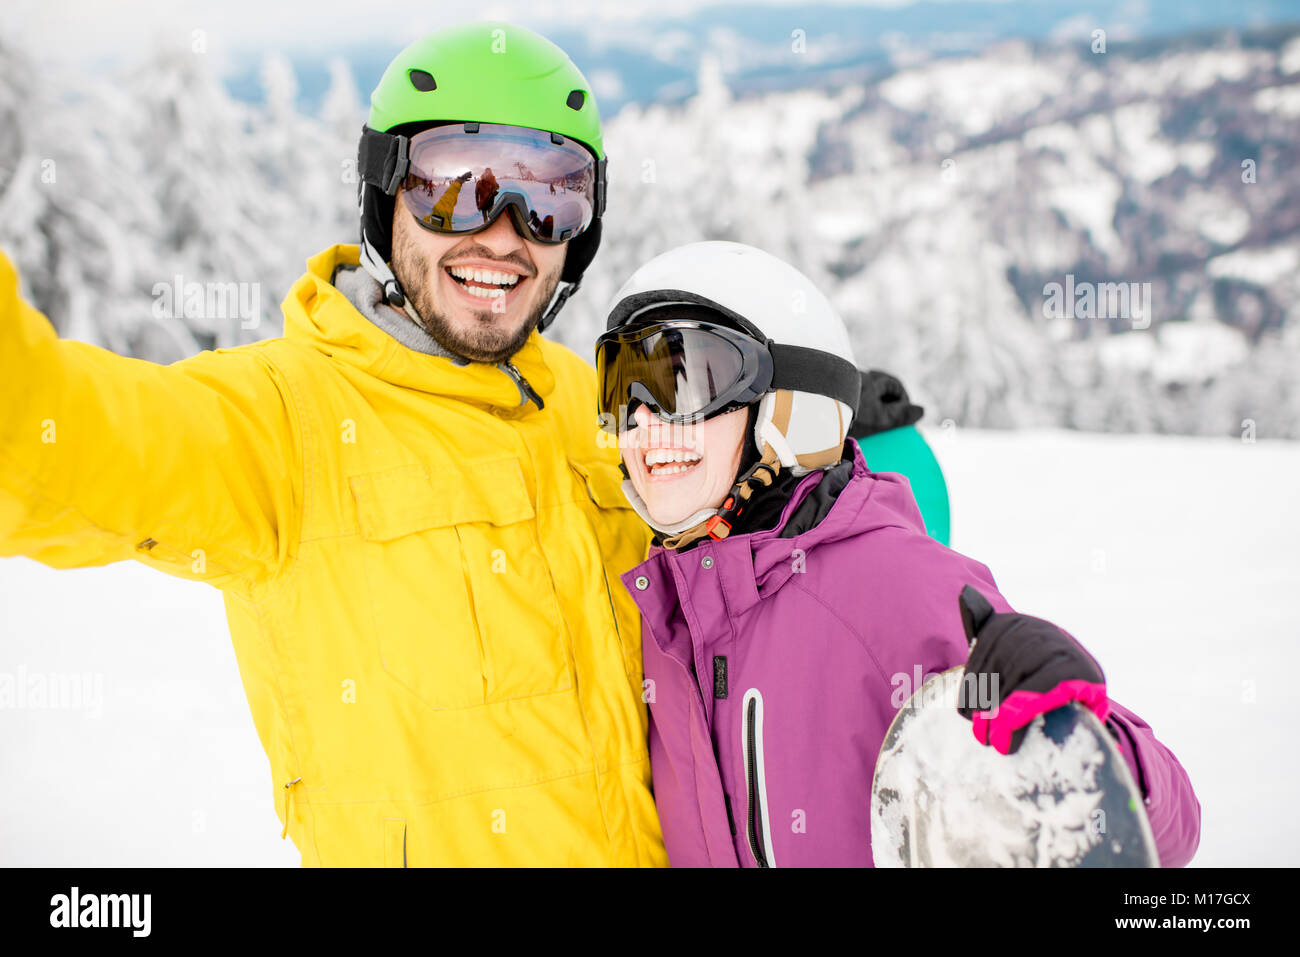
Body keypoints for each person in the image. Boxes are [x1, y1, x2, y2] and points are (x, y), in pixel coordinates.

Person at [0, 22, 666, 867]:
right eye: (456, 187)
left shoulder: (587, 395)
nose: (503, 234)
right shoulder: (283, 424)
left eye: (550, 197)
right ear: (384, 199)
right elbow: (46, 444)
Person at [595, 241, 1201, 867]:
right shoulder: (665, 610)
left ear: (788, 406)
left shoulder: (892, 587)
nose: (644, 423)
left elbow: (1167, 825)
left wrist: (1083, 730)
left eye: (686, 380)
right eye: (623, 387)